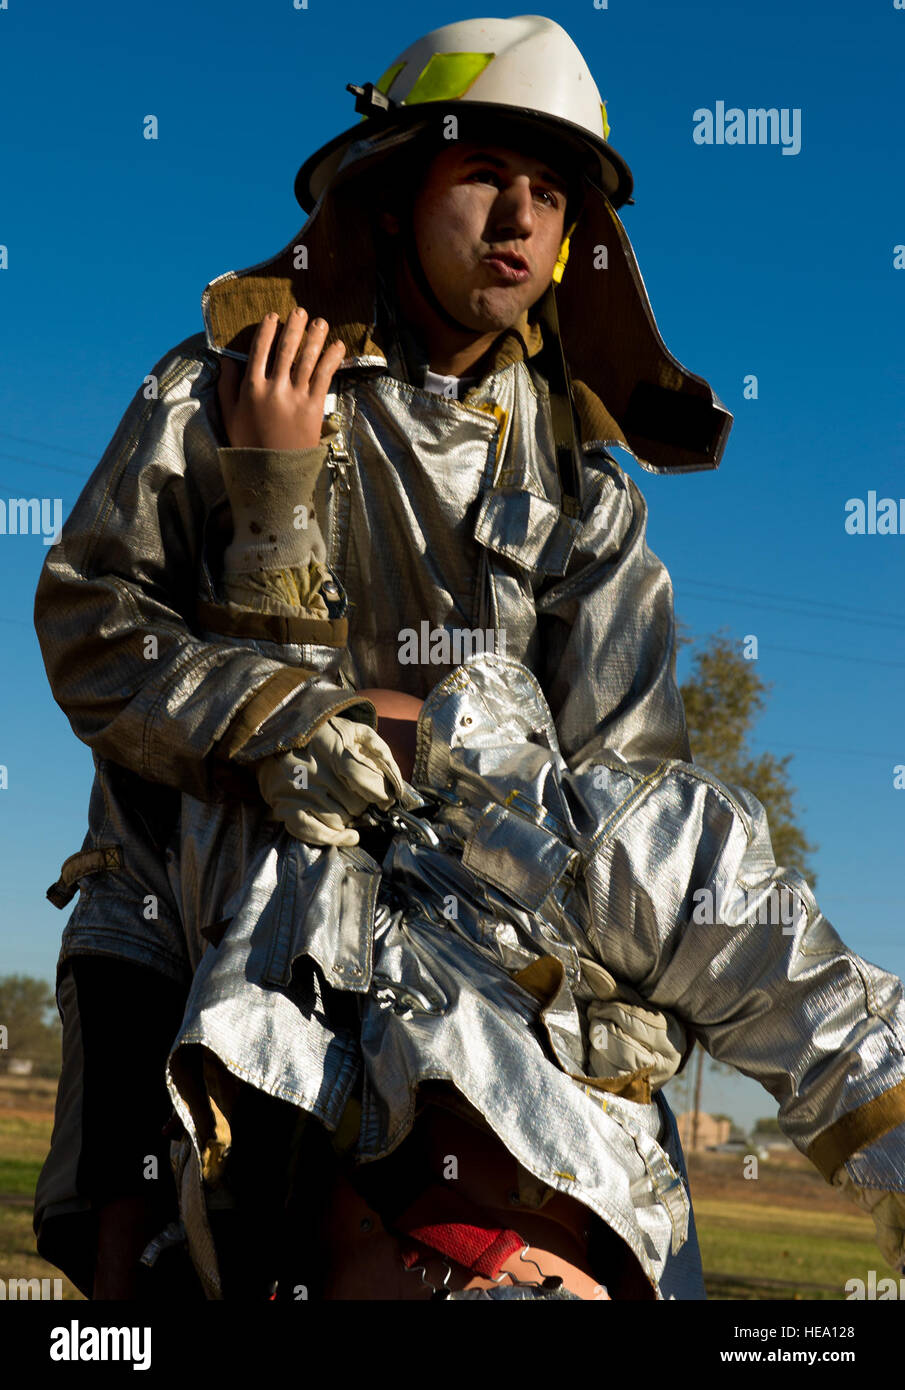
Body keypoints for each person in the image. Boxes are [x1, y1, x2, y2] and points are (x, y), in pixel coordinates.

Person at [33, 15, 905, 1302]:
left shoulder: (584, 490)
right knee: (144, 1254)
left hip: (490, 877)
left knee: (685, 881)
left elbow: (621, 773)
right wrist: (304, 701)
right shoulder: (228, 384)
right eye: (481, 175)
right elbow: (93, 627)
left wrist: (453, 757)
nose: (518, 215)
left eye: (550, 194)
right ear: (390, 196)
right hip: (212, 863)